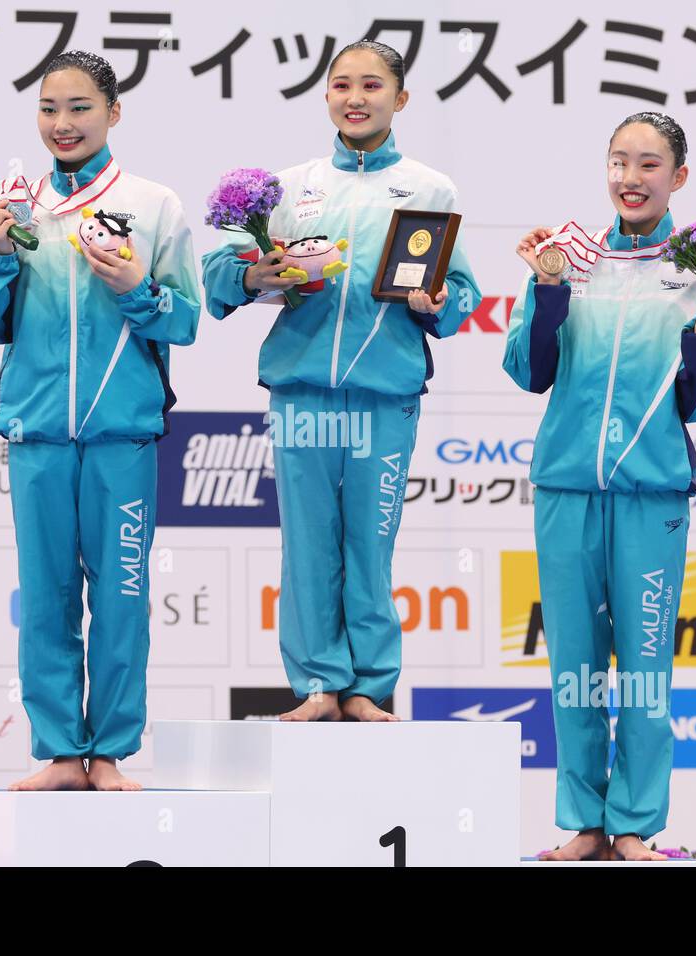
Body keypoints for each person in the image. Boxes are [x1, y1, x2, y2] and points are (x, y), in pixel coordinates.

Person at [201, 40, 481, 721]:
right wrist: (250, 275)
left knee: (370, 543)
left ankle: (368, 688)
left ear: (400, 99)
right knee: (307, 541)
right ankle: (319, 686)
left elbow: (463, 291)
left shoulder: (428, 187)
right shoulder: (288, 186)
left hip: (385, 394)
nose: (355, 97)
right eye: (341, 85)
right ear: (325, 96)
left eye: (372, 86)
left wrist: (439, 303)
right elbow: (220, 272)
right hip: (301, 390)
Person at [503, 112, 696, 860]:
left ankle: (634, 823)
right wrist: (546, 292)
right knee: (572, 667)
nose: (630, 178)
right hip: (567, 489)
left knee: (645, 672)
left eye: (648, 165)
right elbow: (528, 370)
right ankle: (583, 822)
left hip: (651, 495)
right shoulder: (567, 256)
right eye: (618, 162)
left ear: (679, 178)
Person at [0, 50, 200, 791]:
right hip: (36, 434)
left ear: (114, 113)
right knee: (46, 602)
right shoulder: (11, 208)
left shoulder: (156, 204)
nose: (61, 123)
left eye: (78, 108)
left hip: (122, 436)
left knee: (122, 600)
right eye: (47, 108)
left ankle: (110, 754)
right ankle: (62, 753)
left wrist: (137, 287)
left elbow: (186, 323)